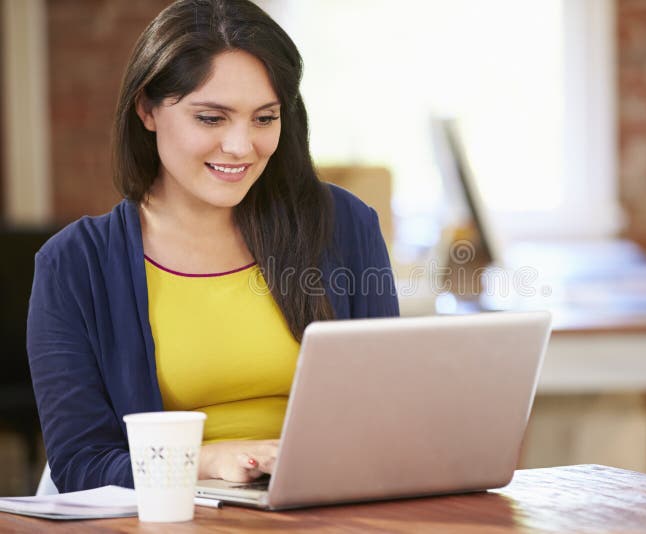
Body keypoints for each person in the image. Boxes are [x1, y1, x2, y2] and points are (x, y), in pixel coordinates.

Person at [26, 0, 398, 493]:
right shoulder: (74, 264)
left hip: (328, 503)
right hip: (173, 513)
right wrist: (204, 460)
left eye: (264, 119)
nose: (242, 147)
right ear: (147, 109)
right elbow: (81, 465)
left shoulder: (343, 224)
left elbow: (389, 414)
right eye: (211, 118)